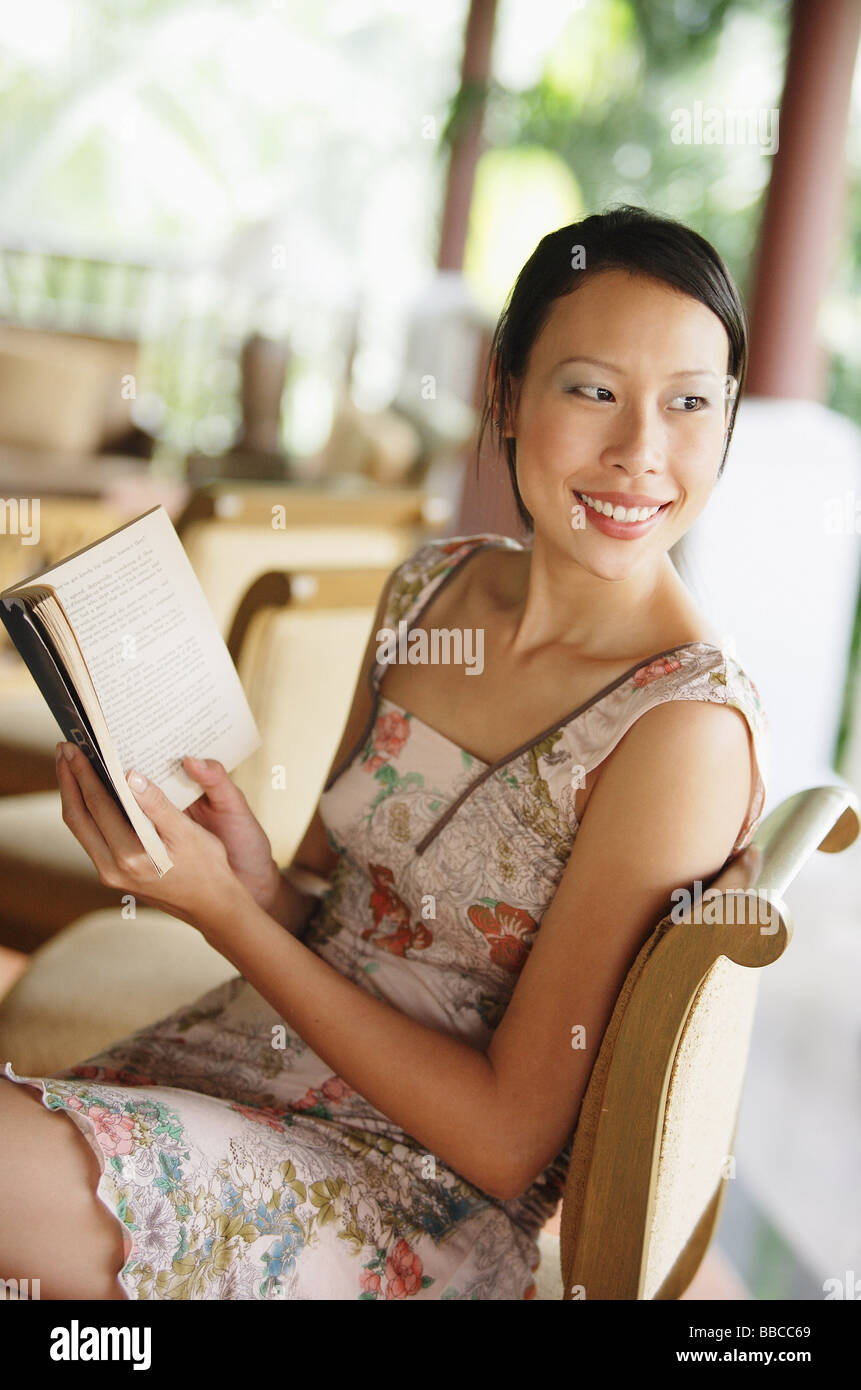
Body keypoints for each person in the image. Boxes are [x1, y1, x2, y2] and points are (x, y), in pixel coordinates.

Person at [0, 205, 768, 1301]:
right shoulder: (433, 587)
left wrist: (222, 915)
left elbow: (508, 1140)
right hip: (247, 1060)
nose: (641, 454)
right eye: (593, 389)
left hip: (410, 1195)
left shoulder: (681, 728)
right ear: (504, 393)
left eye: (690, 403)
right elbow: (328, 907)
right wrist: (248, 877)